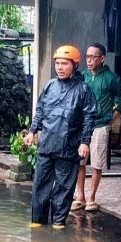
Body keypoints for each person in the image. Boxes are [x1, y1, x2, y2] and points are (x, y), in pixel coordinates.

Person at [24, 45, 96, 229]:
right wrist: (32, 131)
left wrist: (85, 142)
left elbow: (89, 117)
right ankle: (38, 220)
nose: (60, 67)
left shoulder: (83, 90)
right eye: (57, 63)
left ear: (75, 65)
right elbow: (40, 110)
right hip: (47, 144)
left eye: (64, 63)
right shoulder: (49, 86)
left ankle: (58, 221)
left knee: (64, 186)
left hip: (69, 146)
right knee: (41, 183)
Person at [73, 43, 121, 212]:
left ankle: (91, 198)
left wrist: (113, 117)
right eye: (87, 57)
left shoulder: (110, 78)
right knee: (79, 162)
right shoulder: (82, 76)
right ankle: (80, 197)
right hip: (83, 125)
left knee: (97, 163)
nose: (89, 61)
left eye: (93, 57)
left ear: (102, 58)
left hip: (100, 125)